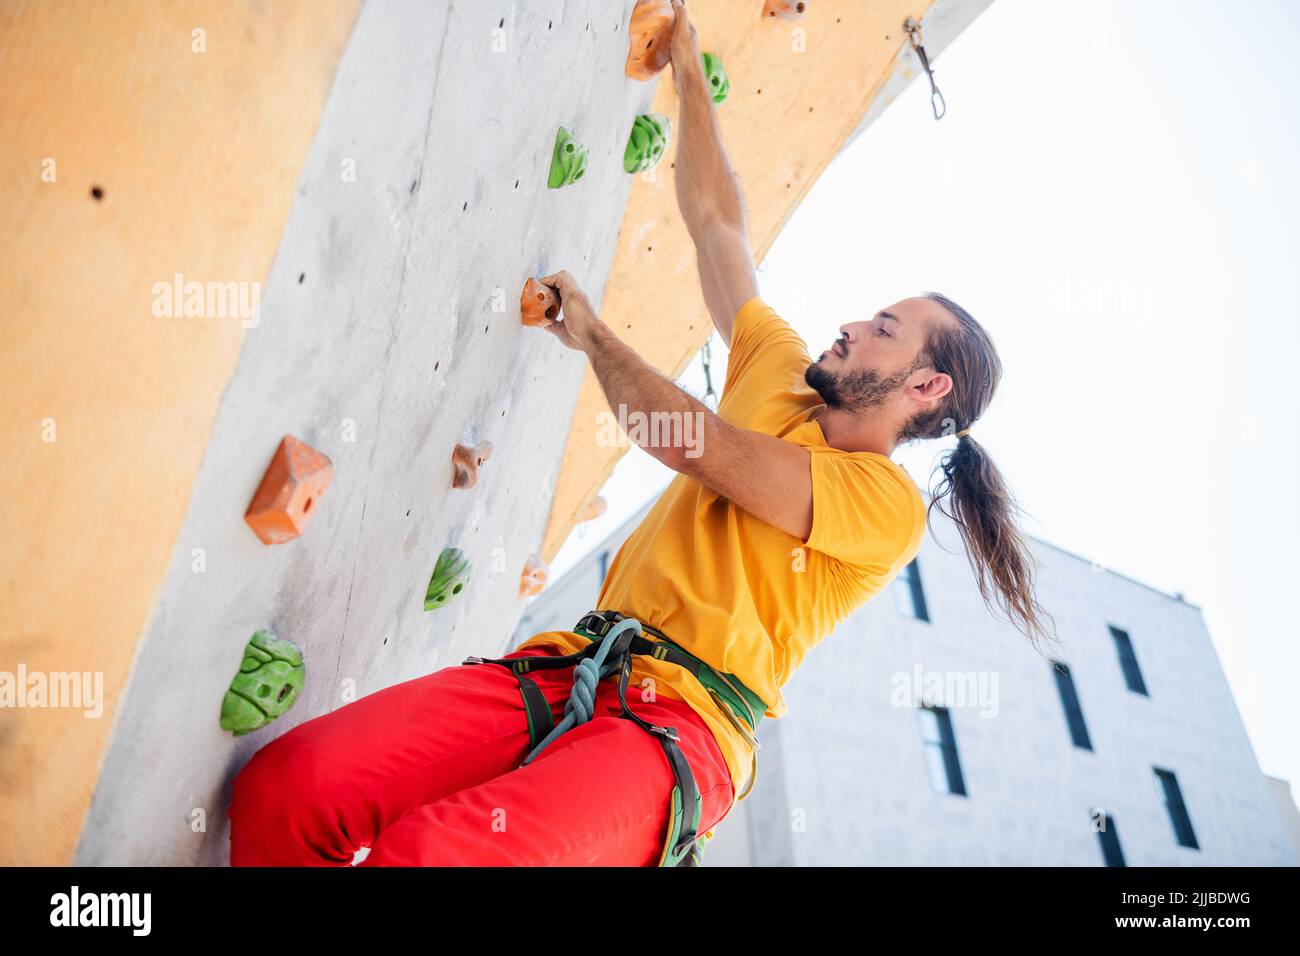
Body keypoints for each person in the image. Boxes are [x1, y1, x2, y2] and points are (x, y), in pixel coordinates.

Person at [228, 0, 1055, 867]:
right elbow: (717, 224)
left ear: (925, 387)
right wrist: (690, 72)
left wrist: (589, 331)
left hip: (683, 729)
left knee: (439, 857)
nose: (852, 325)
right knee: (292, 785)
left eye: (885, 328)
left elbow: (700, 446)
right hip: (574, 667)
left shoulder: (884, 505)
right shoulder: (779, 373)